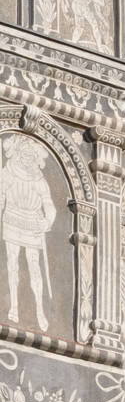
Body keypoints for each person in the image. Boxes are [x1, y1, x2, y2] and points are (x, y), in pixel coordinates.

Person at [0, 136, 55, 332]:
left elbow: (48, 203)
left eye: (30, 155)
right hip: (12, 218)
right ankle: (13, 306)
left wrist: (47, 221)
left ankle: (40, 310)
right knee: (12, 263)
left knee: (34, 267)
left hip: (32, 222)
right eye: (23, 154)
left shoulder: (38, 179)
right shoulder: (8, 173)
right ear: (17, 154)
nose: (26, 158)